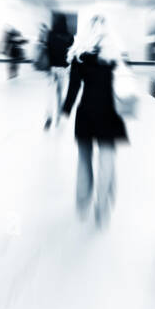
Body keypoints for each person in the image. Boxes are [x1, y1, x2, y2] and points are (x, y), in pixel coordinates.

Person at [62, 14, 129, 226]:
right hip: (110, 113)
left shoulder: (80, 56)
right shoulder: (116, 55)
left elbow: (73, 88)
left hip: (86, 113)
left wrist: (64, 111)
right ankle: (101, 208)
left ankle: (82, 201)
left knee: (84, 159)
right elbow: (130, 83)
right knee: (107, 160)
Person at [42, 13, 74, 130]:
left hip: (52, 68)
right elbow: (71, 55)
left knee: (50, 94)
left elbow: (47, 49)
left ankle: (48, 117)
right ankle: (59, 115)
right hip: (63, 69)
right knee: (60, 94)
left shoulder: (50, 35)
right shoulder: (69, 37)